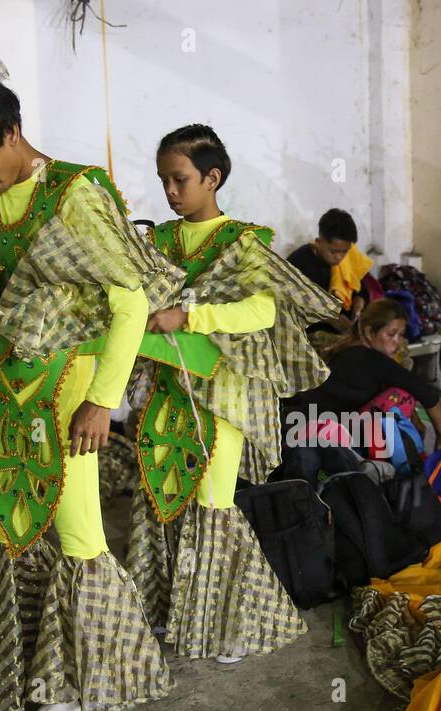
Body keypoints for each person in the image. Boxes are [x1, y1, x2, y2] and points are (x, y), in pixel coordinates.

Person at [0, 73, 186, 711]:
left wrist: (103, 402)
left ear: (14, 132)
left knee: (76, 529)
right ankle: (14, 667)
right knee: (13, 521)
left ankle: (86, 681)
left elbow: (129, 306)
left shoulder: (76, 194)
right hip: (12, 386)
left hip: (70, 389)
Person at [127, 124, 335, 665]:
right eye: (164, 181)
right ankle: (175, 609)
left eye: (180, 180)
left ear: (212, 177)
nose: (171, 192)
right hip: (169, 388)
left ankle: (229, 623)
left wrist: (191, 316)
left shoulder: (242, 241)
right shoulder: (161, 242)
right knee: (163, 497)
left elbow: (262, 312)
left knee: (213, 503)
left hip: (223, 393)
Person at [287, 298, 441, 457]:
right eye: (391, 334)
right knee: (402, 397)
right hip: (310, 436)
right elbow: (427, 393)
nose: (397, 342)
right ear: (369, 332)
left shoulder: (345, 349)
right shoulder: (370, 359)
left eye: (400, 335)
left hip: (295, 426)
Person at [286, 208, 372, 333]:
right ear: (318, 242)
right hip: (311, 333)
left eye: (344, 252)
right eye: (333, 252)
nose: (339, 257)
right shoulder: (299, 263)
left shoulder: (348, 260)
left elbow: (360, 289)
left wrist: (358, 308)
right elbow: (291, 307)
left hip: (346, 329)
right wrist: (329, 319)